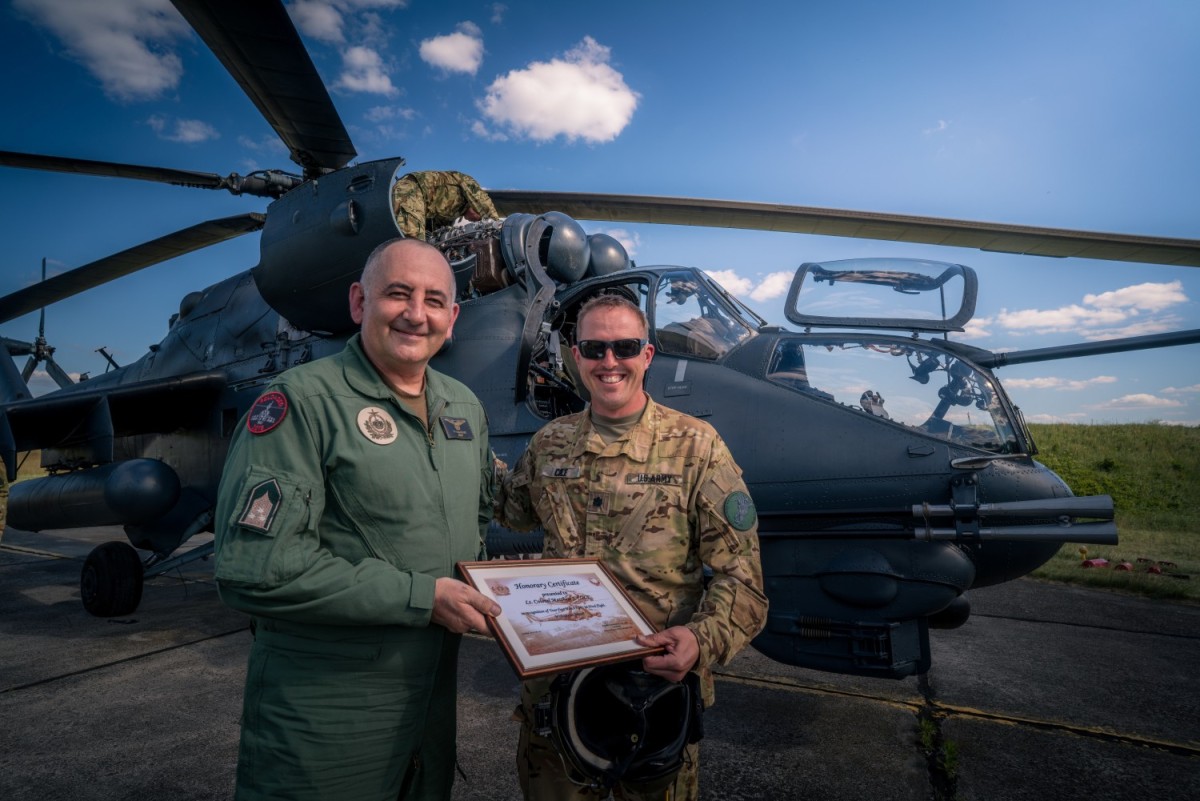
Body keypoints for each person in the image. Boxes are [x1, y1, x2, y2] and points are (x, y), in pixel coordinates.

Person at [213, 237, 502, 801]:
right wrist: (423, 596)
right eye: (398, 294)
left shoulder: (463, 407)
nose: (417, 315)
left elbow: (476, 522)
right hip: (329, 713)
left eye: (434, 300)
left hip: (431, 707)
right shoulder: (302, 402)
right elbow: (255, 569)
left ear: (453, 316)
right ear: (358, 303)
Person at [495, 294, 769, 800]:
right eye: (594, 348)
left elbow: (743, 581)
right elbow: (512, 511)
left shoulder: (697, 447)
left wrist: (701, 641)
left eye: (623, 347)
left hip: (653, 700)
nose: (609, 362)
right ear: (576, 356)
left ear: (646, 355)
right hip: (556, 700)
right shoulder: (550, 443)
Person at [391, 170, 501, 239]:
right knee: (414, 243)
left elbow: (436, 233)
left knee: (424, 245)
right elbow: (484, 203)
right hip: (412, 189)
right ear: (475, 207)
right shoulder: (468, 182)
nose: (475, 221)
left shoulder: (452, 214)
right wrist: (499, 229)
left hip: (416, 200)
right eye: (478, 219)